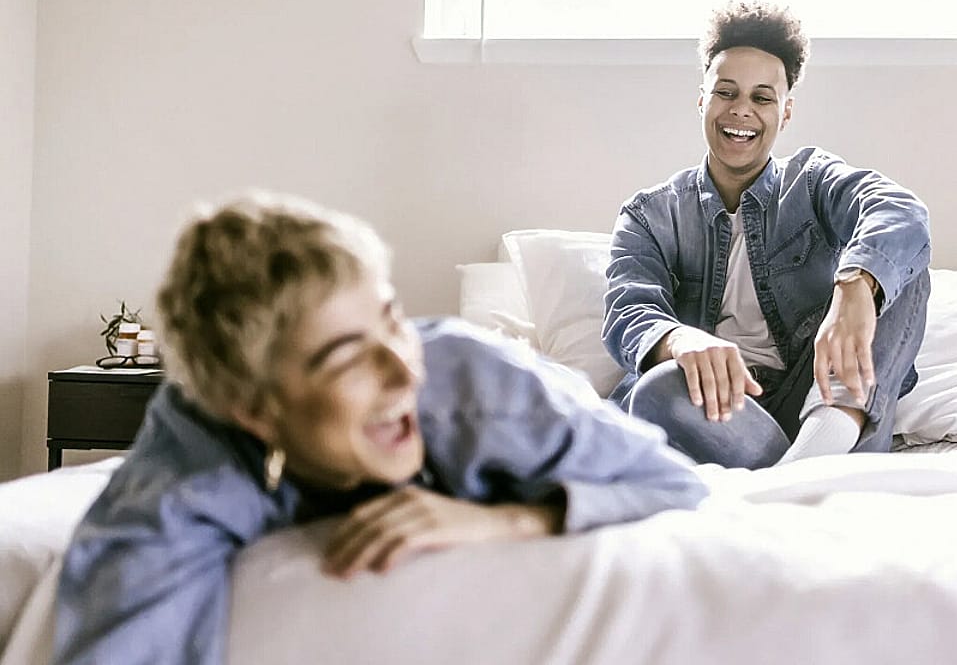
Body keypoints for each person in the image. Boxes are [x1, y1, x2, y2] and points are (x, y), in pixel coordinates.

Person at [54, 193, 706, 665]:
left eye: (391, 318)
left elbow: (676, 483)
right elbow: (123, 619)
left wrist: (514, 518)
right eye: (344, 356)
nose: (401, 369)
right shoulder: (188, 471)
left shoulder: (477, 387)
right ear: (253, 412)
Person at [603, 1, 931, 469]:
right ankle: (803, 475)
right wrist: (679, 340)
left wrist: (855, 286)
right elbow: (628, 308)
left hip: (817, 399)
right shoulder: (651, 213)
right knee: (659, 387)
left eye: (761, 98)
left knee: (900, 264)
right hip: (720, 406)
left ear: (786, 110)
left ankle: (819, 446)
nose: (741, 111)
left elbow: (899, 209)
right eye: (726, 93)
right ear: (702, 99)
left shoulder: (813, 181)